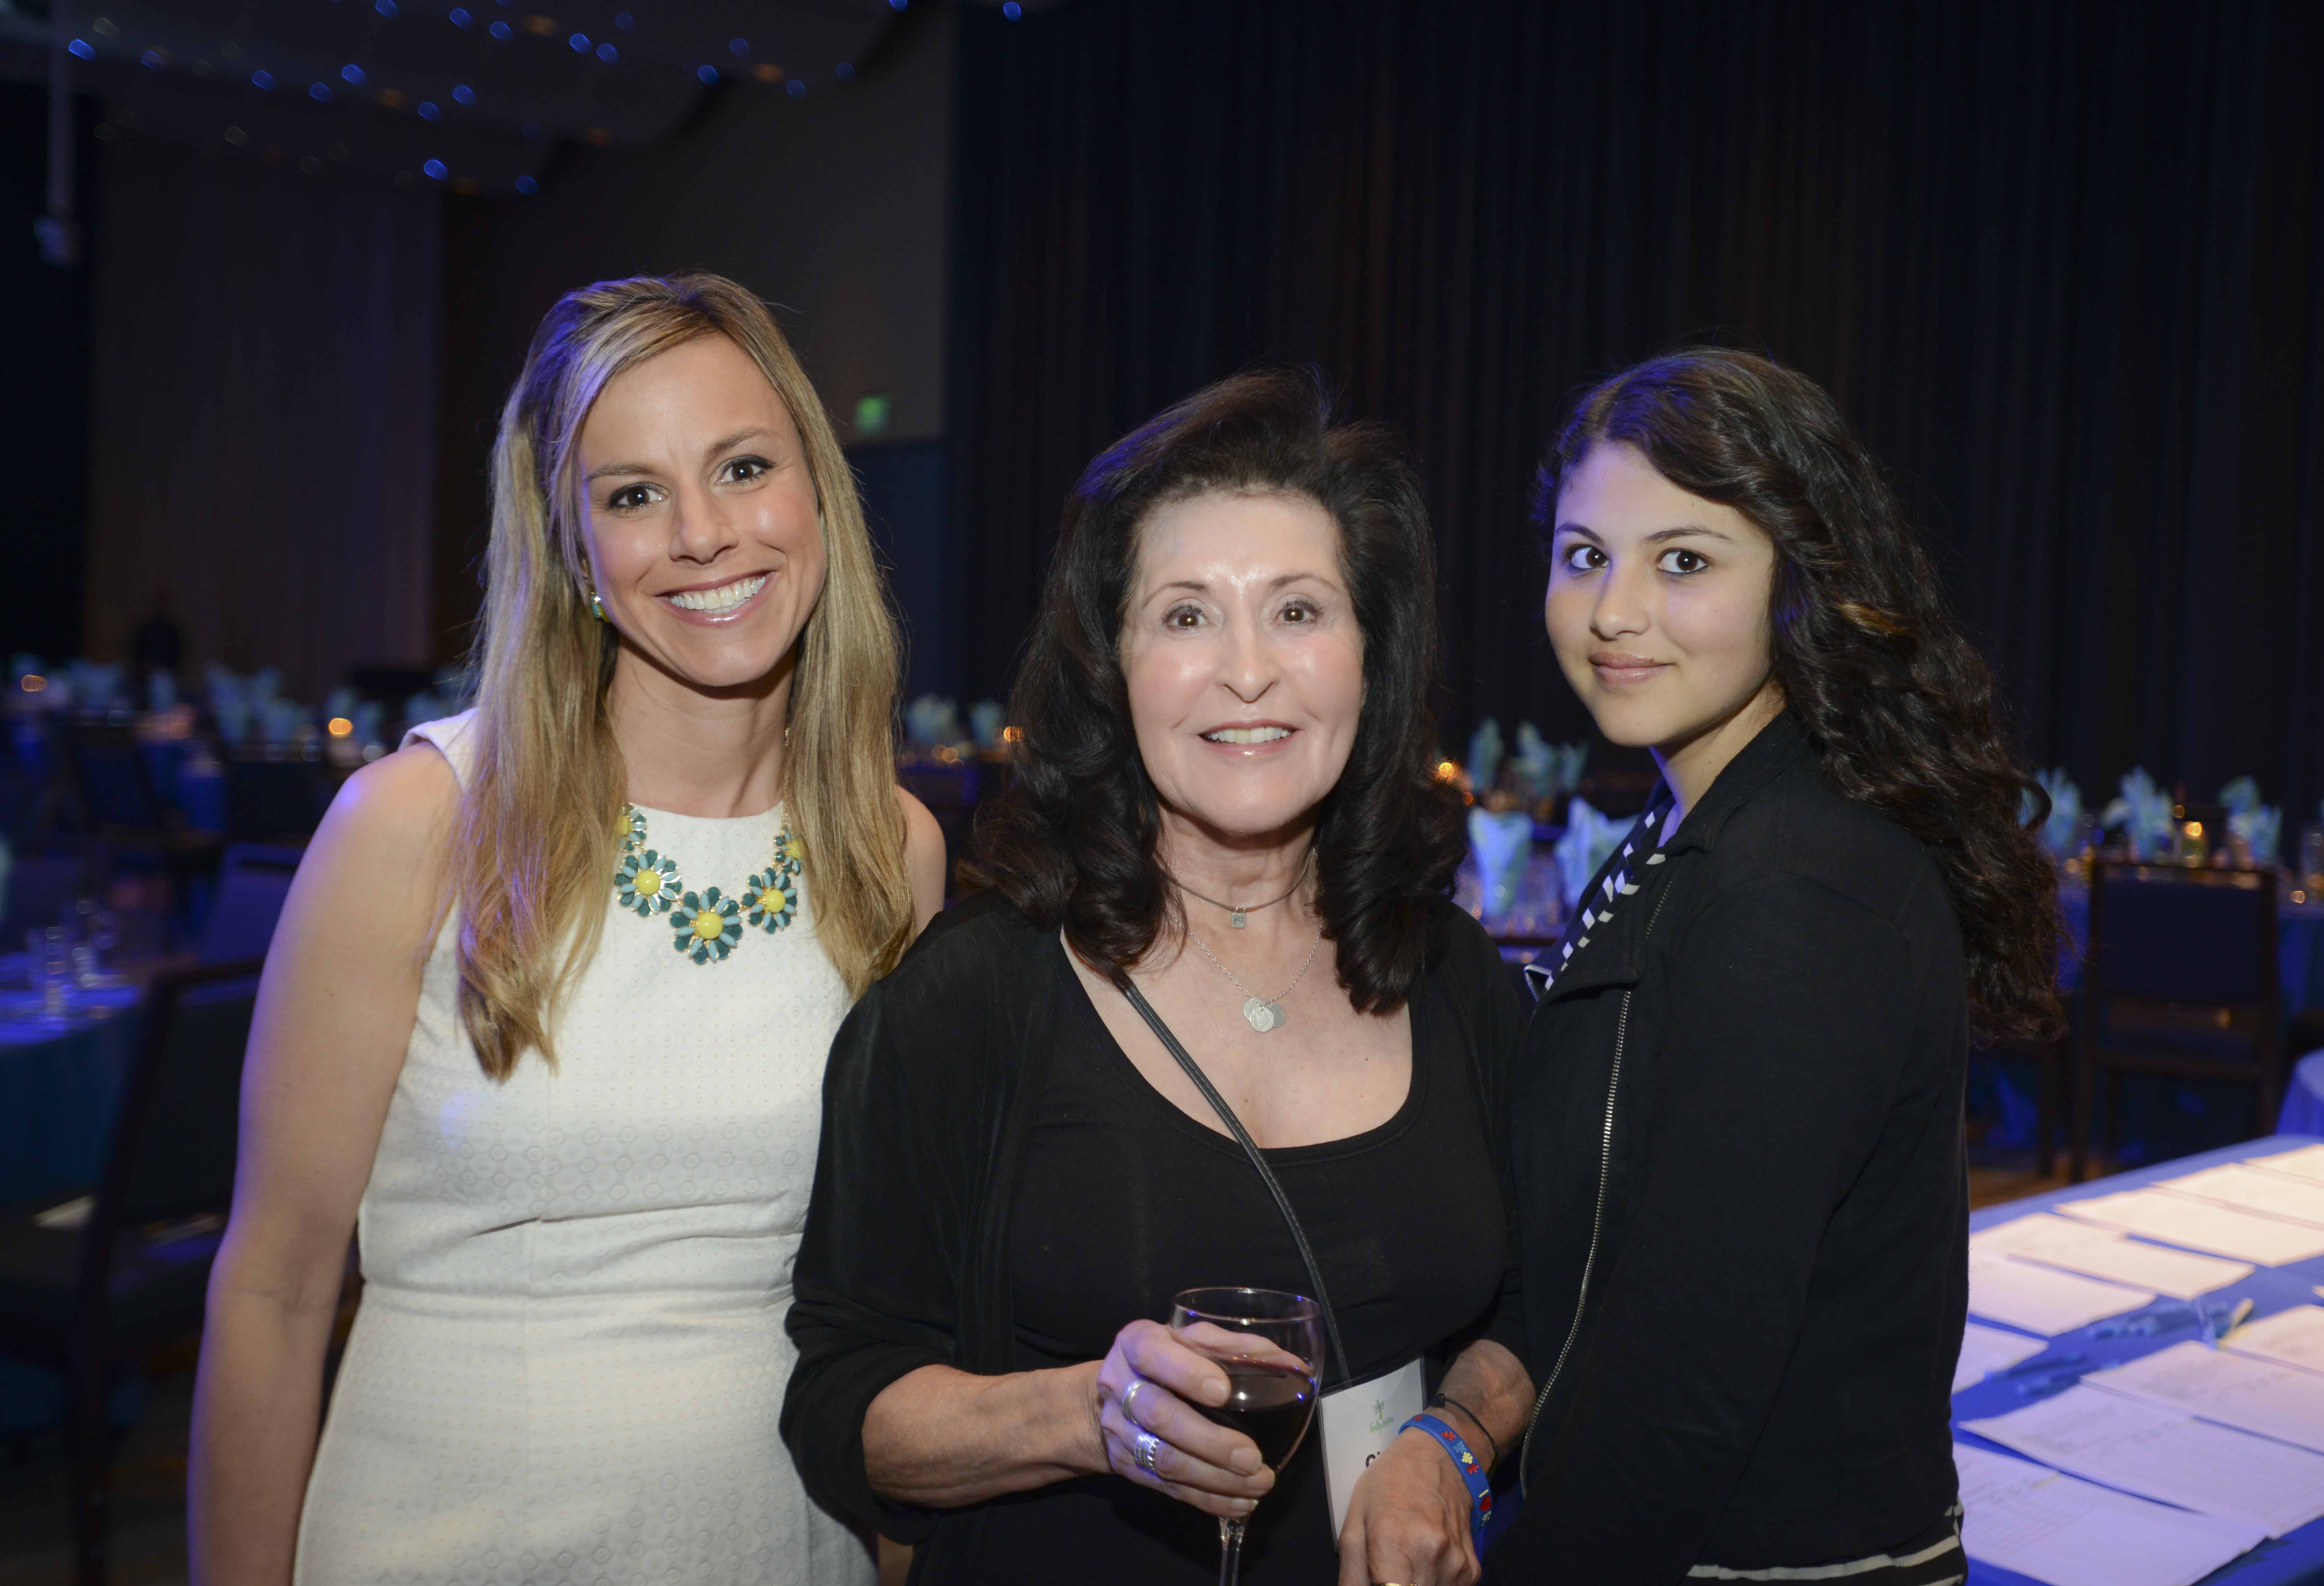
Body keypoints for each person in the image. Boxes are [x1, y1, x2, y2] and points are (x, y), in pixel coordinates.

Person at [188, 273, 946, 1585]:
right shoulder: (420, 822)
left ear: (817, 492)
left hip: (783, 1545)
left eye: (744, 467)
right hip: (446, 1546)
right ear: (573, 551)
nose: (703, 534)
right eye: (634, 494)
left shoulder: (893, 851)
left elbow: (893, 1297)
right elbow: (274, 1290)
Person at [782, 370, 1529, 1585]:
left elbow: (1543, 1305)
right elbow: (839, 1399)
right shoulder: (975, 996)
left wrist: (1456, 1438)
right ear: (1112, 668)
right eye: (1186, 617)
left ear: (1370, 656)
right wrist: (1087, 1414)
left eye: (1299, 611)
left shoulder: (1456, 977)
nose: (1249, 672)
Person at [1348, 348, 2063, 1585]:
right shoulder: (1701, 819)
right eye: (1585, 556)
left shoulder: (1798, 888)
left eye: (1683, 561)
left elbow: (1682, 1393)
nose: (1614, 611)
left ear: (1801, 578)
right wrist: (1460, 1432)